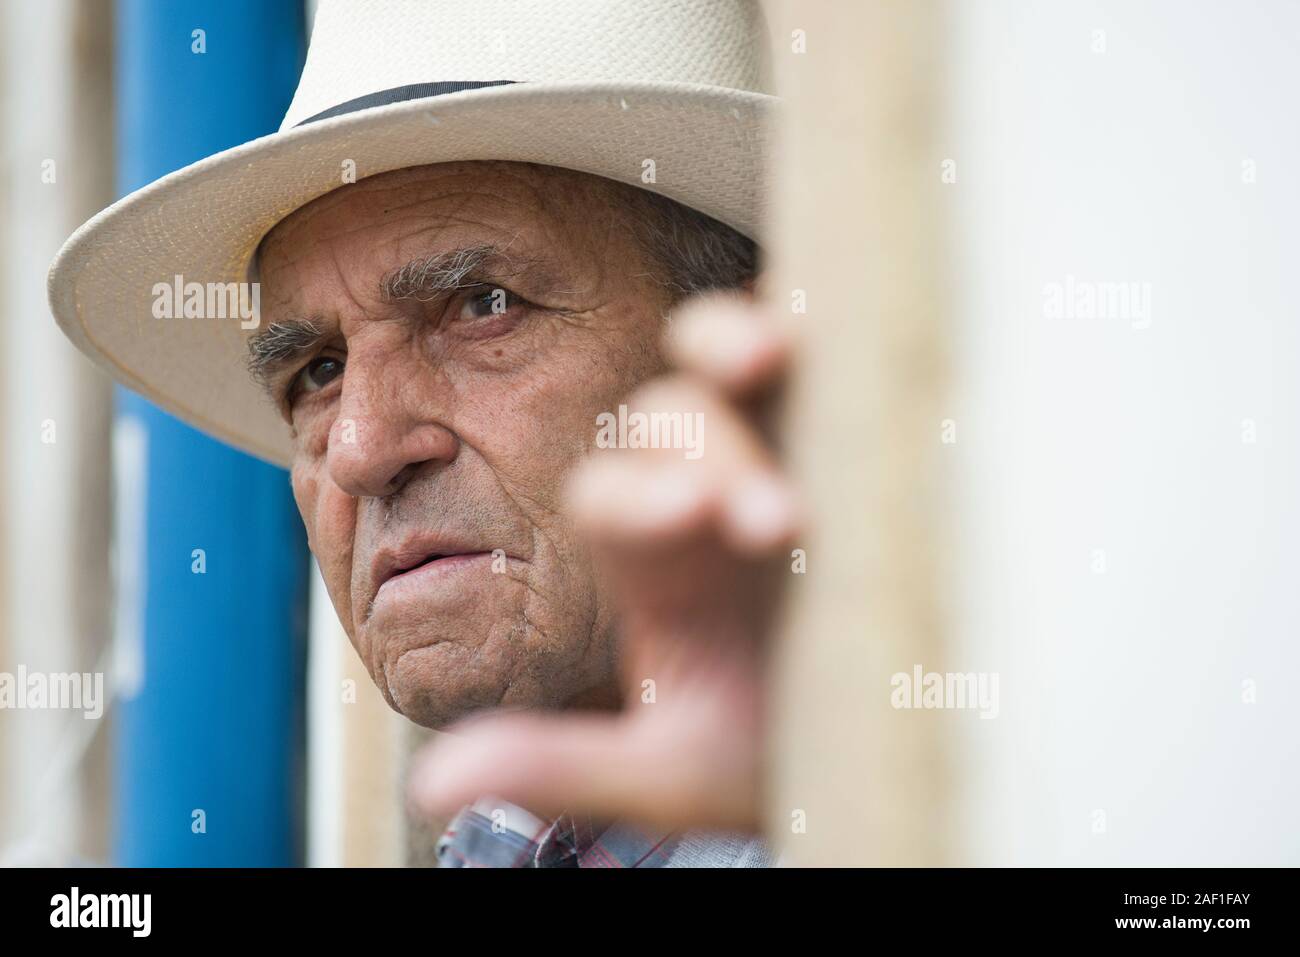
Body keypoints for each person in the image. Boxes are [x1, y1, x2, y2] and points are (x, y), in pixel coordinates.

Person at [48, 0, 798, 867]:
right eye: (318, 372)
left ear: (740, 355)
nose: (362, 451)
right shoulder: (499, 839)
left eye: (484, 306)